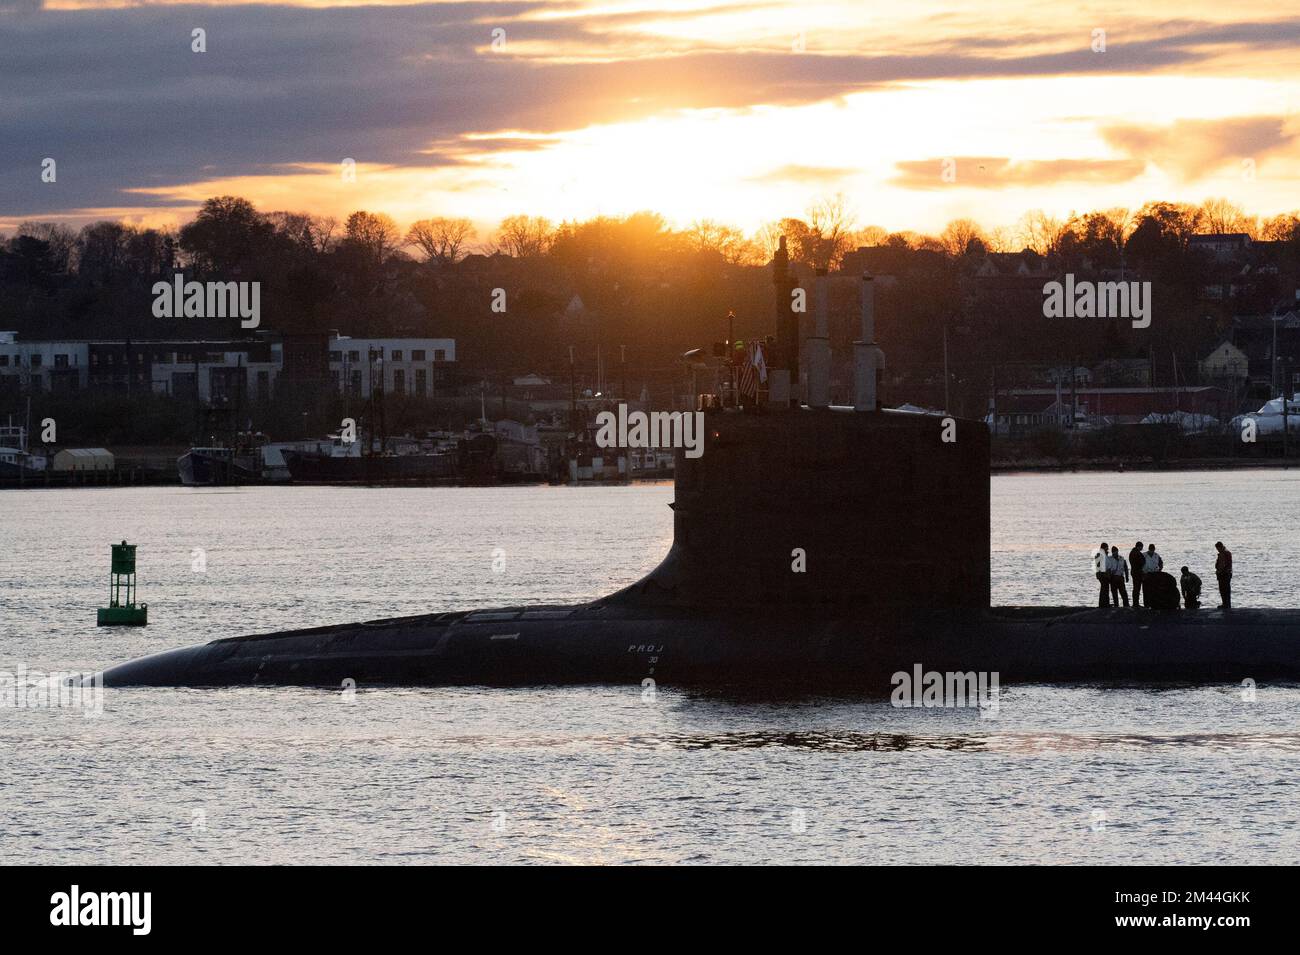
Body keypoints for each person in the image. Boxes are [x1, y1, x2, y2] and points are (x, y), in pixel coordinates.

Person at [1215, 541, 1233, 609]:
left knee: (1225, 590)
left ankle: (1226, 604)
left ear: (1220, 547)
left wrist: (1220, 571)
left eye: (1218, 548)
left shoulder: (1225, 553)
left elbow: (1225, 565)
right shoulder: (1223, 553)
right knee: (1223, 590)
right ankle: (1225, 604)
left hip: (1224, 574)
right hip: (1223, 574)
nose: (1217, 550)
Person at [1129, 541, 1146, 607]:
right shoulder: (1136, 553)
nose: (1142, 548)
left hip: (1134, 571)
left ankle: (1135, 603)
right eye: (1141, 547)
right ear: (1139, 546)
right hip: (1137, 572)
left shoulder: (1132, 552)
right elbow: (1141, 562)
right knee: (1137, 588)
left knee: (1136, 588)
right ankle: (1136, 603)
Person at [1094, 542, 1110, 607]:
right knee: (1104, 589)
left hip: (1104, 574)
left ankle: (1105, 603)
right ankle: (1103, 603)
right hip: (1102, 574)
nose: (1108, 548)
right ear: (1104, 547)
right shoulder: (1100, 555)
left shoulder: (1104, 554)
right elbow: (1098, 566)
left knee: (1105, 588)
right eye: (1107, 547)